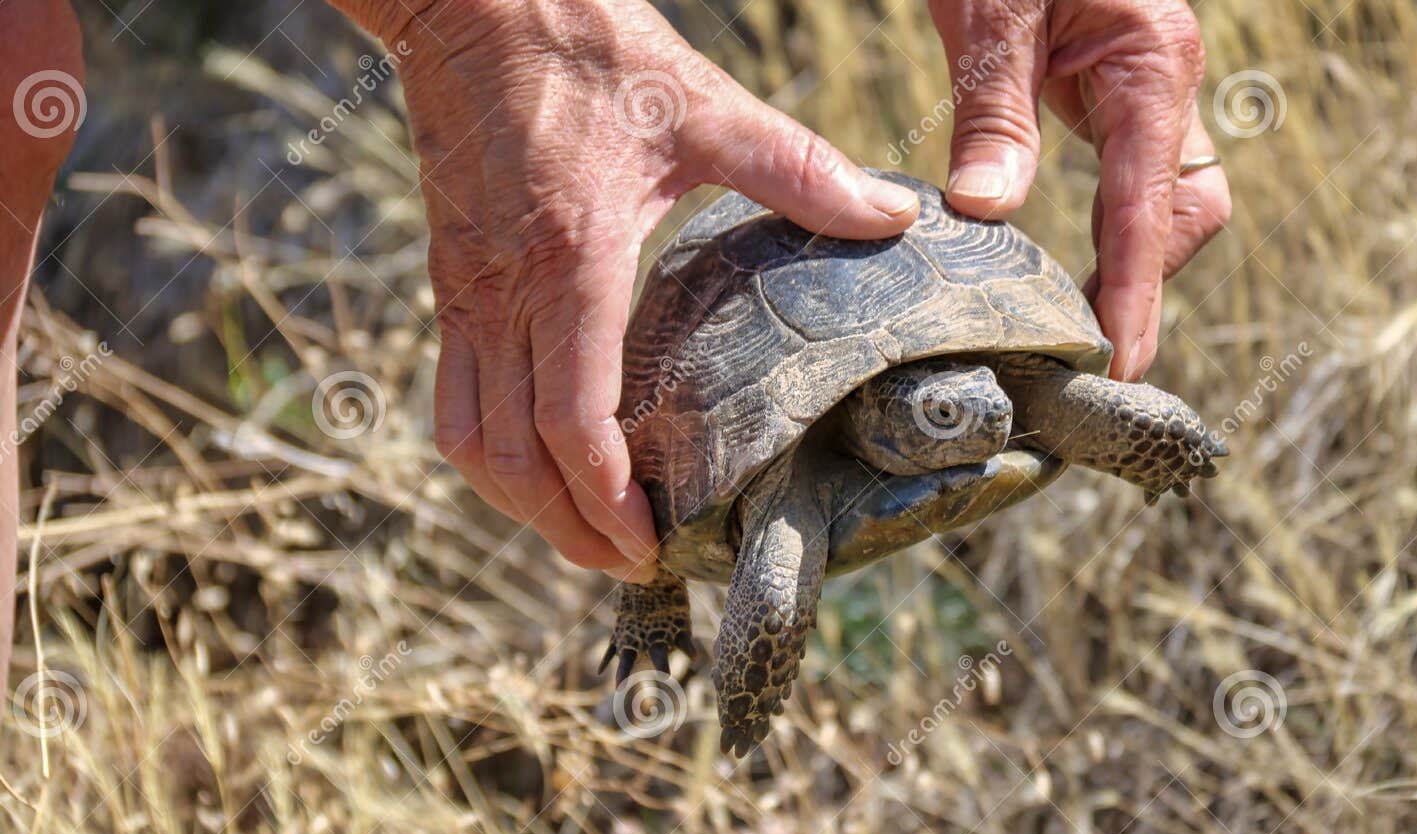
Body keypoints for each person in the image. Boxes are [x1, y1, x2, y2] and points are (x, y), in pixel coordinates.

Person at [0, 0, 1229, 687]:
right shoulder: (792, 499)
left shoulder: (1010, 400)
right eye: (935, 412)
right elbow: (777, 545)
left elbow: (1052, 405)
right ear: (868, 418)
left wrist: (1152, 439)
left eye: (965, 408)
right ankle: (656, 613)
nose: (964, 419)